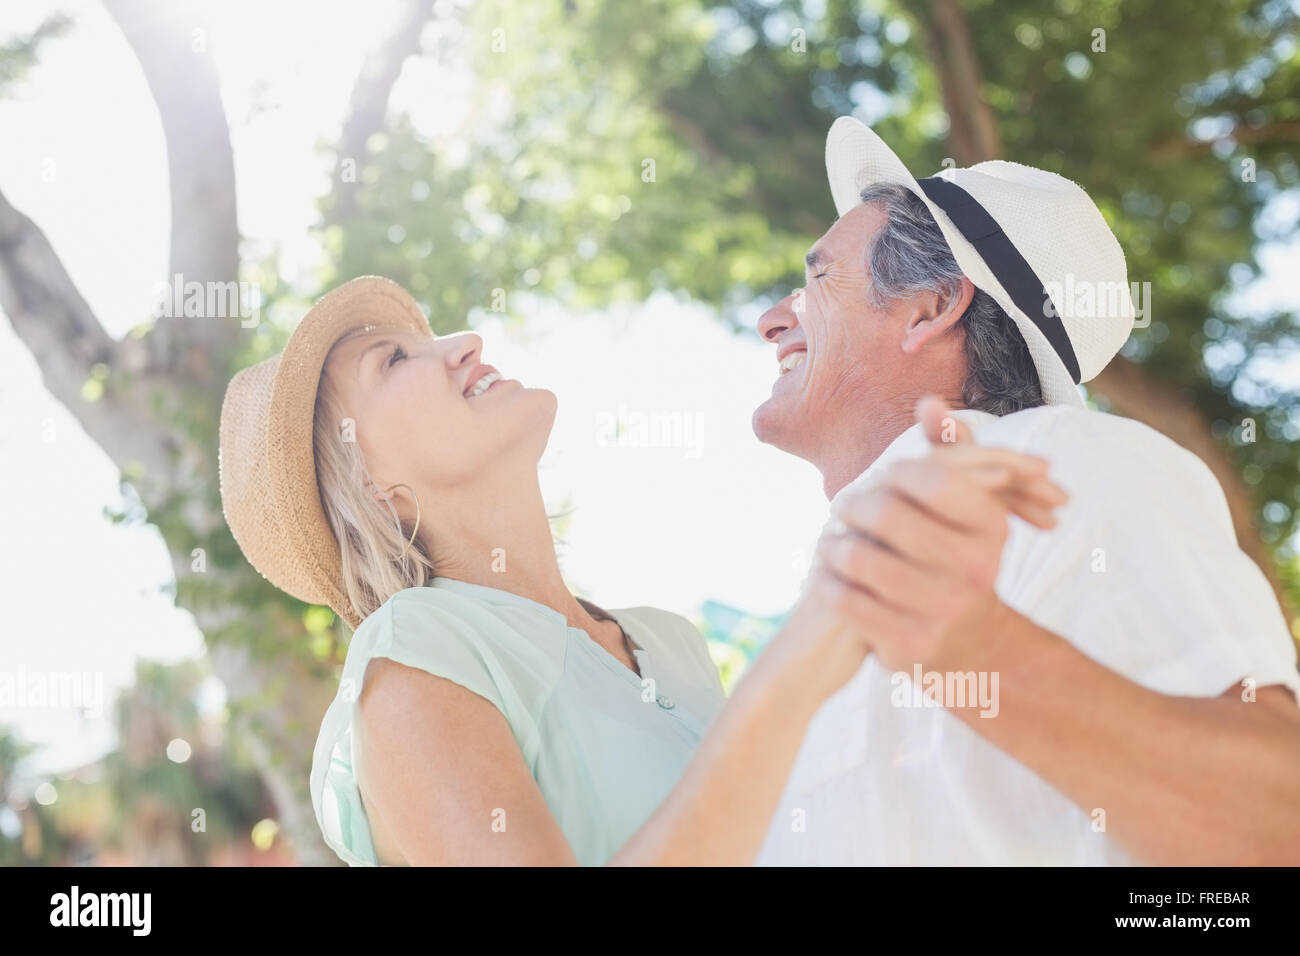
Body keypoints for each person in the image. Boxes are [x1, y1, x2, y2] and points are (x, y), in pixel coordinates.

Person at [217, 275, 1066, 865]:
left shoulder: (669, 642)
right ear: (371, 484)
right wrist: (813, 647)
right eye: (395, 362)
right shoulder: (416, 650)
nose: (462, 341)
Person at [750, 116, 1300, 865]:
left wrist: (970, 647)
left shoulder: (1067, 464)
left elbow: (1272, 825)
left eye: (816, 280)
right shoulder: (840, 574)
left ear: (931, 307)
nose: (770, 321)